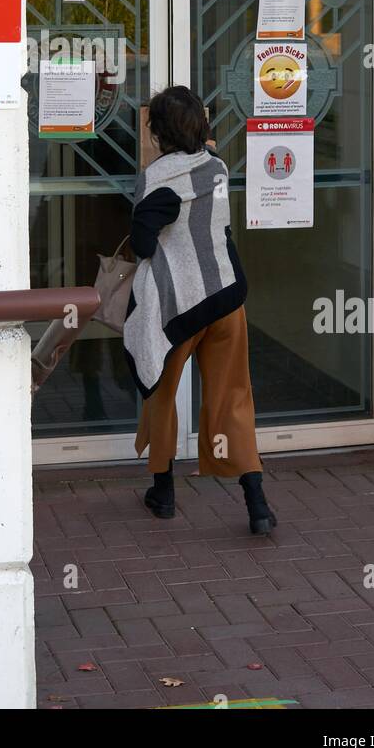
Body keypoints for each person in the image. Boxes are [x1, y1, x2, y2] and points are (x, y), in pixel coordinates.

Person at [123, 85, 276, 534]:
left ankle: (164, 492)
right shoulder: (217, 167)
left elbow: (143, 244)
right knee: (233, 397)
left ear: (156, 132)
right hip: (227, 297)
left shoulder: (155, 178)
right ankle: (257, 505)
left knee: (161, 394)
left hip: (177, 306)